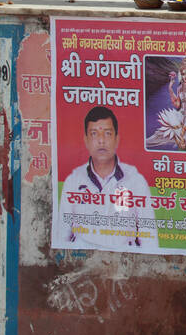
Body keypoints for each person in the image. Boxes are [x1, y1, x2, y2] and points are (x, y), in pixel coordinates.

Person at [58, 106, 159, 252]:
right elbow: (63, 236)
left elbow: (150, 239)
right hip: (82, 262)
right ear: (85, 140)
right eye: (94, 134)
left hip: (124, 263)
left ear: (117, 139)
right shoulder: (73, 182)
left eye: (107, 133)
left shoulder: (135, 181)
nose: (101, 141)